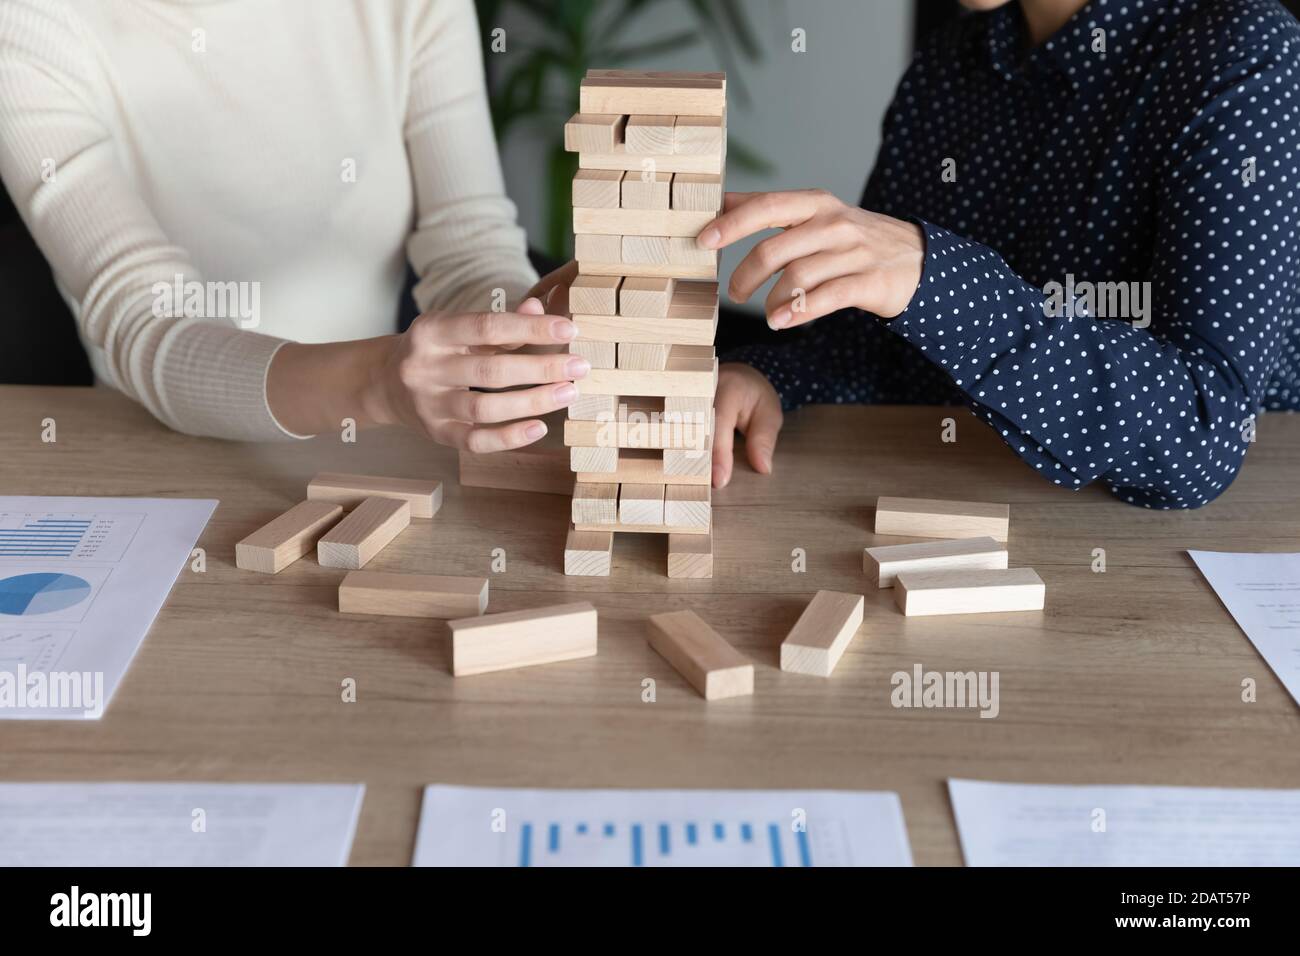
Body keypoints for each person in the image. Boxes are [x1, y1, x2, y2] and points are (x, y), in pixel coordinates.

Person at [707, 0, 1300, 508]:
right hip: (945, 525)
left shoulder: (1244, 53)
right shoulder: (952, 63)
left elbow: (1205, 433)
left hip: (1171, 576)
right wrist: (771, 377)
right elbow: (875, 355)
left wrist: (936, 281)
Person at [0, 0, 582, 453]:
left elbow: (468, 250)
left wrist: (533, 330)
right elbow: (150, 324)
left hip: (377, 453)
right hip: (158, 464)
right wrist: (376, 383)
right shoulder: (29, 25)